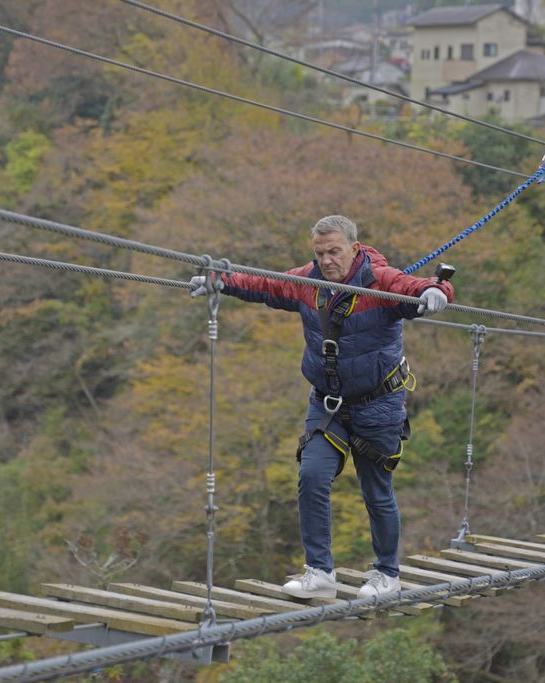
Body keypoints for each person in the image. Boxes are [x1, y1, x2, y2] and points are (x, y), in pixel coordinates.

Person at [190, 215, 453, 599]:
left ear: (354, 248)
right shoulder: (308, 282)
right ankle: (319, 572)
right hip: (327, 403)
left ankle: (387, 573)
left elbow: (414, 288)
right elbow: (266, 284)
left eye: (334, 251)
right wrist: (222, 280)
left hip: (379, 404)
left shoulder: (381, 281)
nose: (327, 260)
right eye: (320, 253)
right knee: (312, 476)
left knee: (376, 491)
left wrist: (436, 290)